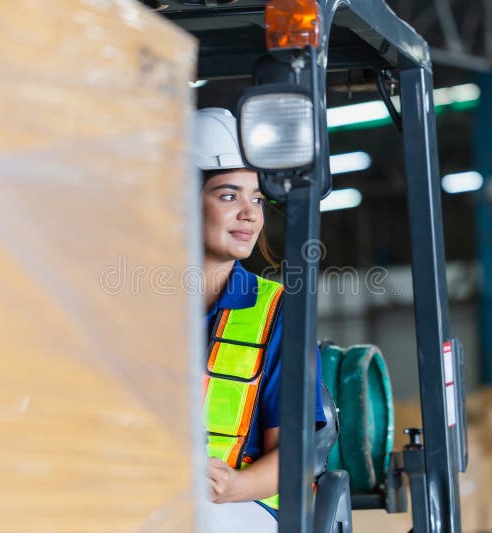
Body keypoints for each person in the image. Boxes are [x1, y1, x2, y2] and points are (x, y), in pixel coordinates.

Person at [196, 107, 327, 533]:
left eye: (257, 199)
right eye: (229, 196)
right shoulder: (128, 301)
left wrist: (232, 485)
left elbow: (297, 453)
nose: (251, 215)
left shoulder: (276, 310)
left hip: (237, 509)